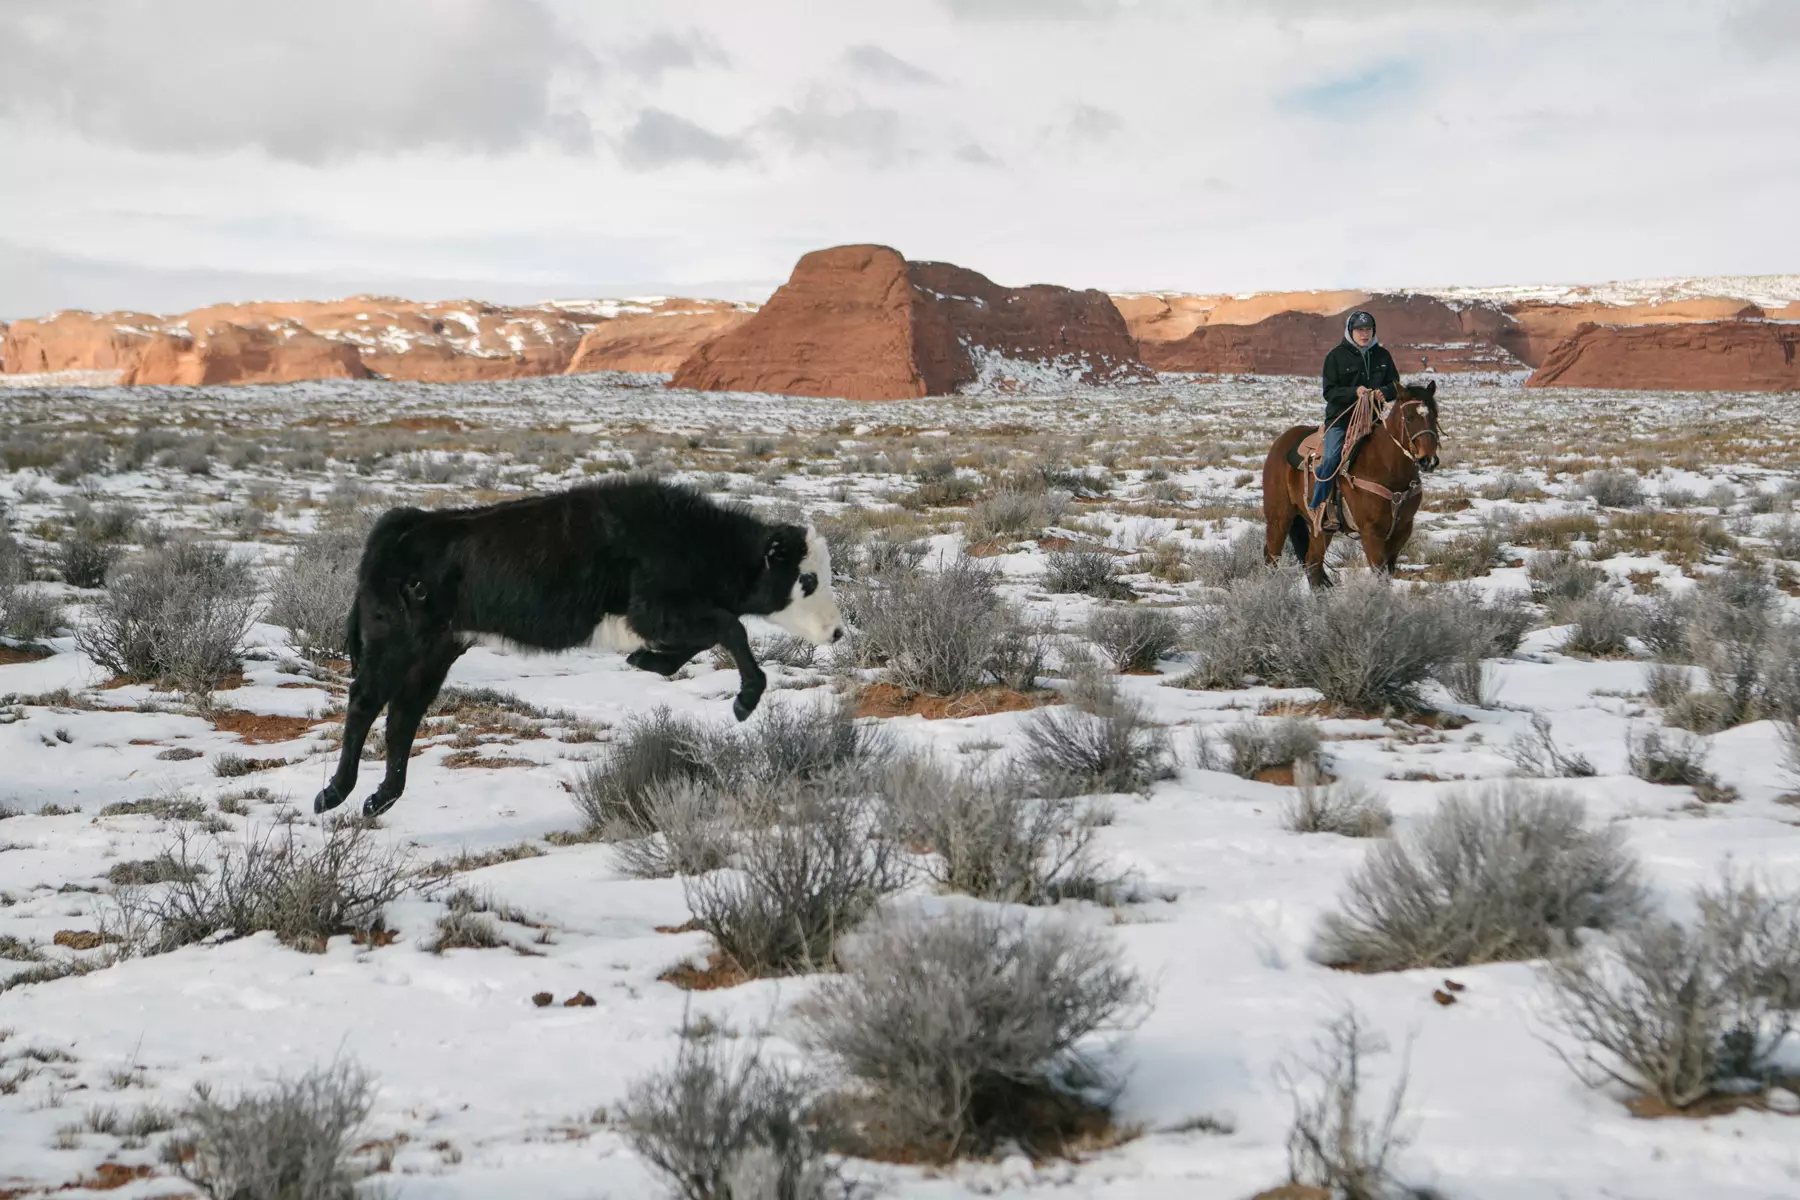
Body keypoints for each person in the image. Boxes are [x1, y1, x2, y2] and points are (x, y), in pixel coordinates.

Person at [1312, 309, 1399, 526]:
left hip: (1374, 419)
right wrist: (1354, 392)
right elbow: (1329, 392)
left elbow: (1396, 385)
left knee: (1396, 453)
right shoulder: (1335, 356)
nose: (1364, 334)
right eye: (1360, 329)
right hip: (1341, 420)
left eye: (1368, 329)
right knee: (1332, 457)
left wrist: (1384, 392)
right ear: (1351, 331)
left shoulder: (1382, 356)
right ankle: (1318, 504)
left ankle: (1396, 503)